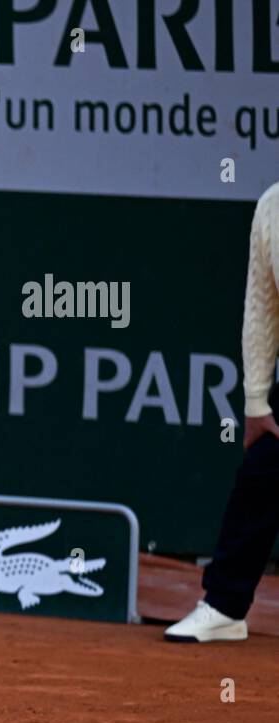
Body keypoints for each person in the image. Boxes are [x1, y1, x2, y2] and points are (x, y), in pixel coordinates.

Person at [165, 181, 279, 643]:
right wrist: (257, 401)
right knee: (262, 474)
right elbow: (263, 308)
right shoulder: (273, 206)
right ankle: (225, 608)